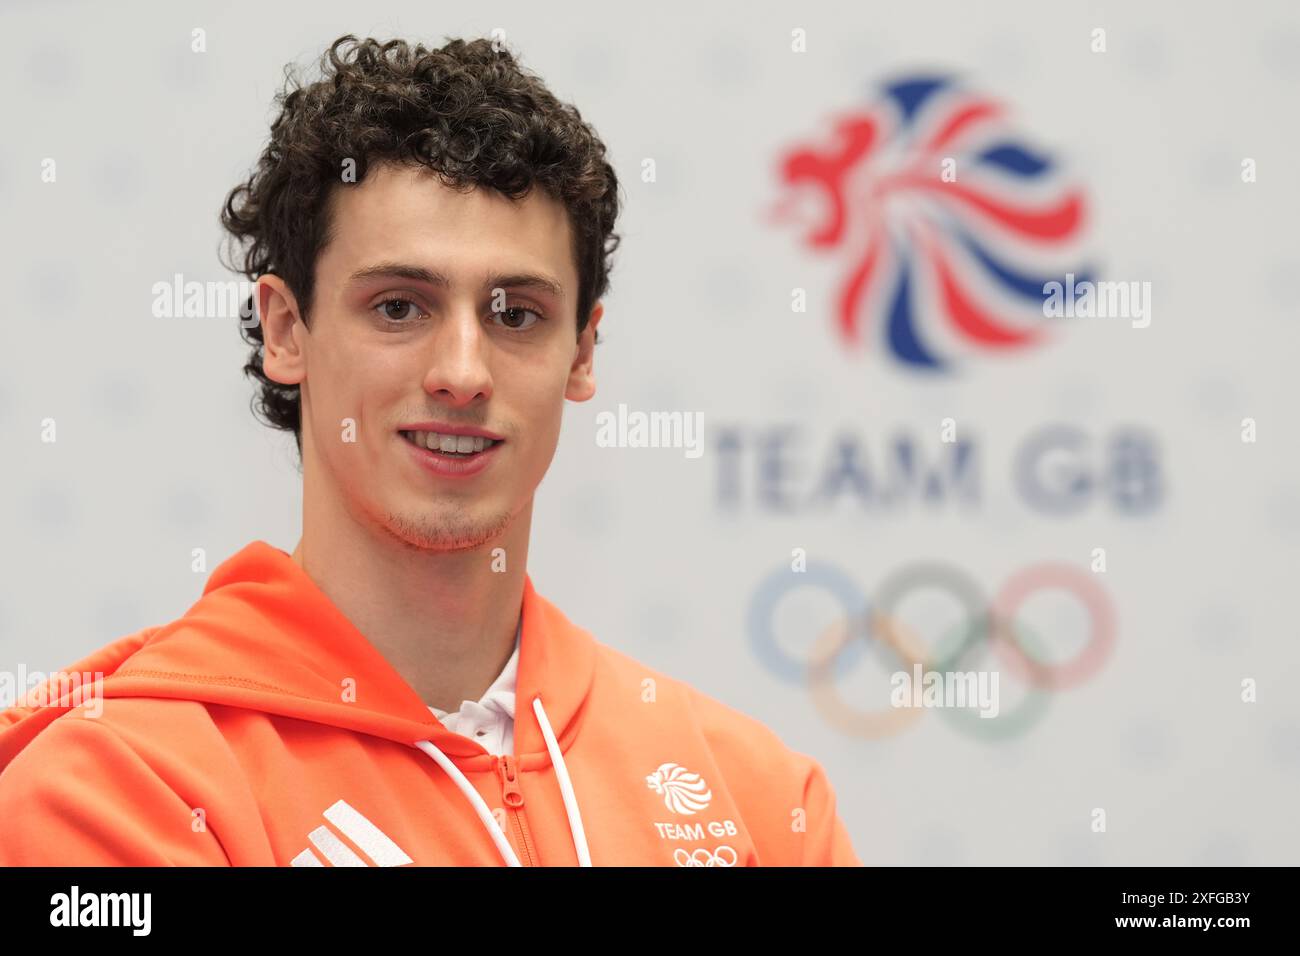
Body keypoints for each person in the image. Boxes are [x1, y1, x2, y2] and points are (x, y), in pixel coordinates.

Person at [0, 34, 860, 867]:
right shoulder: (117, 786)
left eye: (515, 313)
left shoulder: (757, 801)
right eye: (399, 308)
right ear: (288, 331)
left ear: (583, 352)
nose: (461, 373)